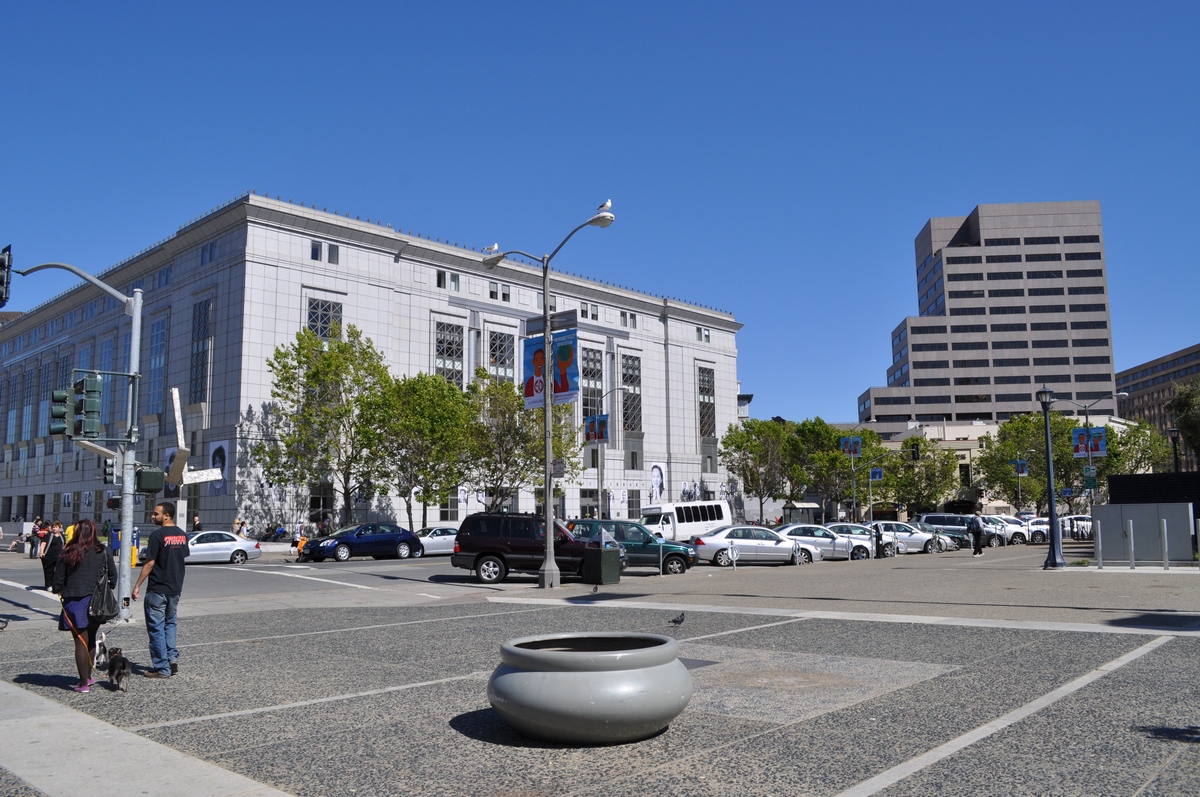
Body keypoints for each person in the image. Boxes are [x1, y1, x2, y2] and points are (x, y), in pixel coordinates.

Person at [52, 519, 117, 693]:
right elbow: (113, 576)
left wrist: (59, 590)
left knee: (80, 640)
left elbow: (57, 580)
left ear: (76, 532)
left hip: (75, 600)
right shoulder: (102, 550)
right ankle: (88, 677)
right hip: (97, 601)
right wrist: (106, 588)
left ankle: (83, 683)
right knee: (91, 637)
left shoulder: (68, 551)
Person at [132, 501, 189, 678]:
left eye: (156, 514)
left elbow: (150, 563)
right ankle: (172, 660)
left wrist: (137, 585)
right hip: (175, 588)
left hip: (157, 589)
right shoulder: (182, 534)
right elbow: (182, 557)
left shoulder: (157, 535)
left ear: (167, 515)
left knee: (156, 628)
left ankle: (162, 668)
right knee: (170, 624)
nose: (152, 516)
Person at [39, 522, 65, 590]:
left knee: (59, 571)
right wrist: (41, 552)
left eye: (56, 527)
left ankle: (56, 585)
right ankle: (48, 585)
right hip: (49, 556)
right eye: (53, 527)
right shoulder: (49, 535)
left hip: (59, 556)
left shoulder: (61, 535)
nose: (54, 529)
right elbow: (43, 543)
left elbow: (64, 545)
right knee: (48, 571)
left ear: (59, 528)